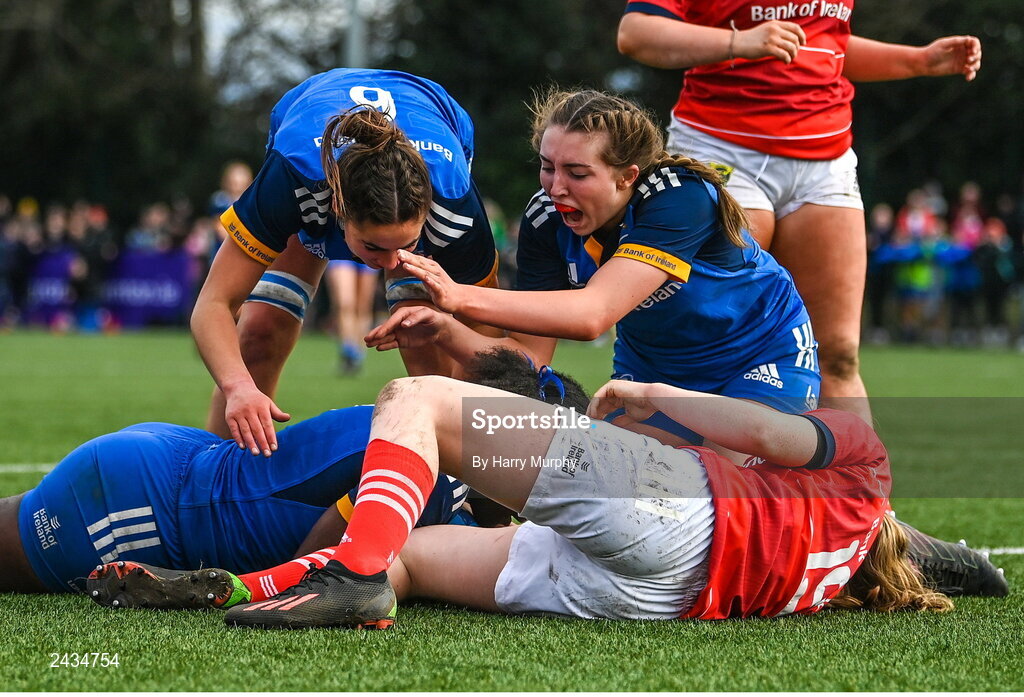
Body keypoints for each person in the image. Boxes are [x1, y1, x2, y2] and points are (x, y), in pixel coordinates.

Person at [91, 373, 1010, 629]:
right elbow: (936, 560)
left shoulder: (864, 460)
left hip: (676, 510)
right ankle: (261, 586)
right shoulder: (838, 559)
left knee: (417, 402)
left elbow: (772, 434)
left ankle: (357, 574)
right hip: (656, 598)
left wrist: (659, 396)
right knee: (408, 547)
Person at [368, 89, 819, 451]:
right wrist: (442, 329)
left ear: (627, 176)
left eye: (577, 173)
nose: (556, 187)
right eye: (547, 168)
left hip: (759, 355)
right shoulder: (547, 218)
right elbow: (529, 360)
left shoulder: (679, 196)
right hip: (653, 372)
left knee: (739, 481)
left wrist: (459, 296)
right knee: (615, 484)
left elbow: (592, 315)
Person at [616, 2, 982, 422]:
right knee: (712, 345)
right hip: (721, 149)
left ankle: (860, 486)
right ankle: (692, 481)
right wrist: (739, 42)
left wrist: (918, 60)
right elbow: (636, 33)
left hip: (825, 159)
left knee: (839, 356)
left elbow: (826, 47)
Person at [5, 348, 588, 599]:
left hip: (177, 469)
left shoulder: (424, 437)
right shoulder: (432, 475)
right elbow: (322, 570)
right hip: (147, 504)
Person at [192, 68, 499, 458]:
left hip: (434, 125)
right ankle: (217, 483)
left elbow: (487, 341)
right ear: (338, 209)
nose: (389, 263)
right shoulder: (293, 179)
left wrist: (479, 448)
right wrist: (238, 387)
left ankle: (454, 484)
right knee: (259, 334)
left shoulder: (452, 200)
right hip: (309, 145)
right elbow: (213, 305)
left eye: (405, 245)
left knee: (428, 342)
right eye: (373, 246)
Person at [324, 258, 380, 375]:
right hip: (341, 251)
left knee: (362, 306)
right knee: (344, 303)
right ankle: (348, 350)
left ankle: (358, 354)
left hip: (367, 250)